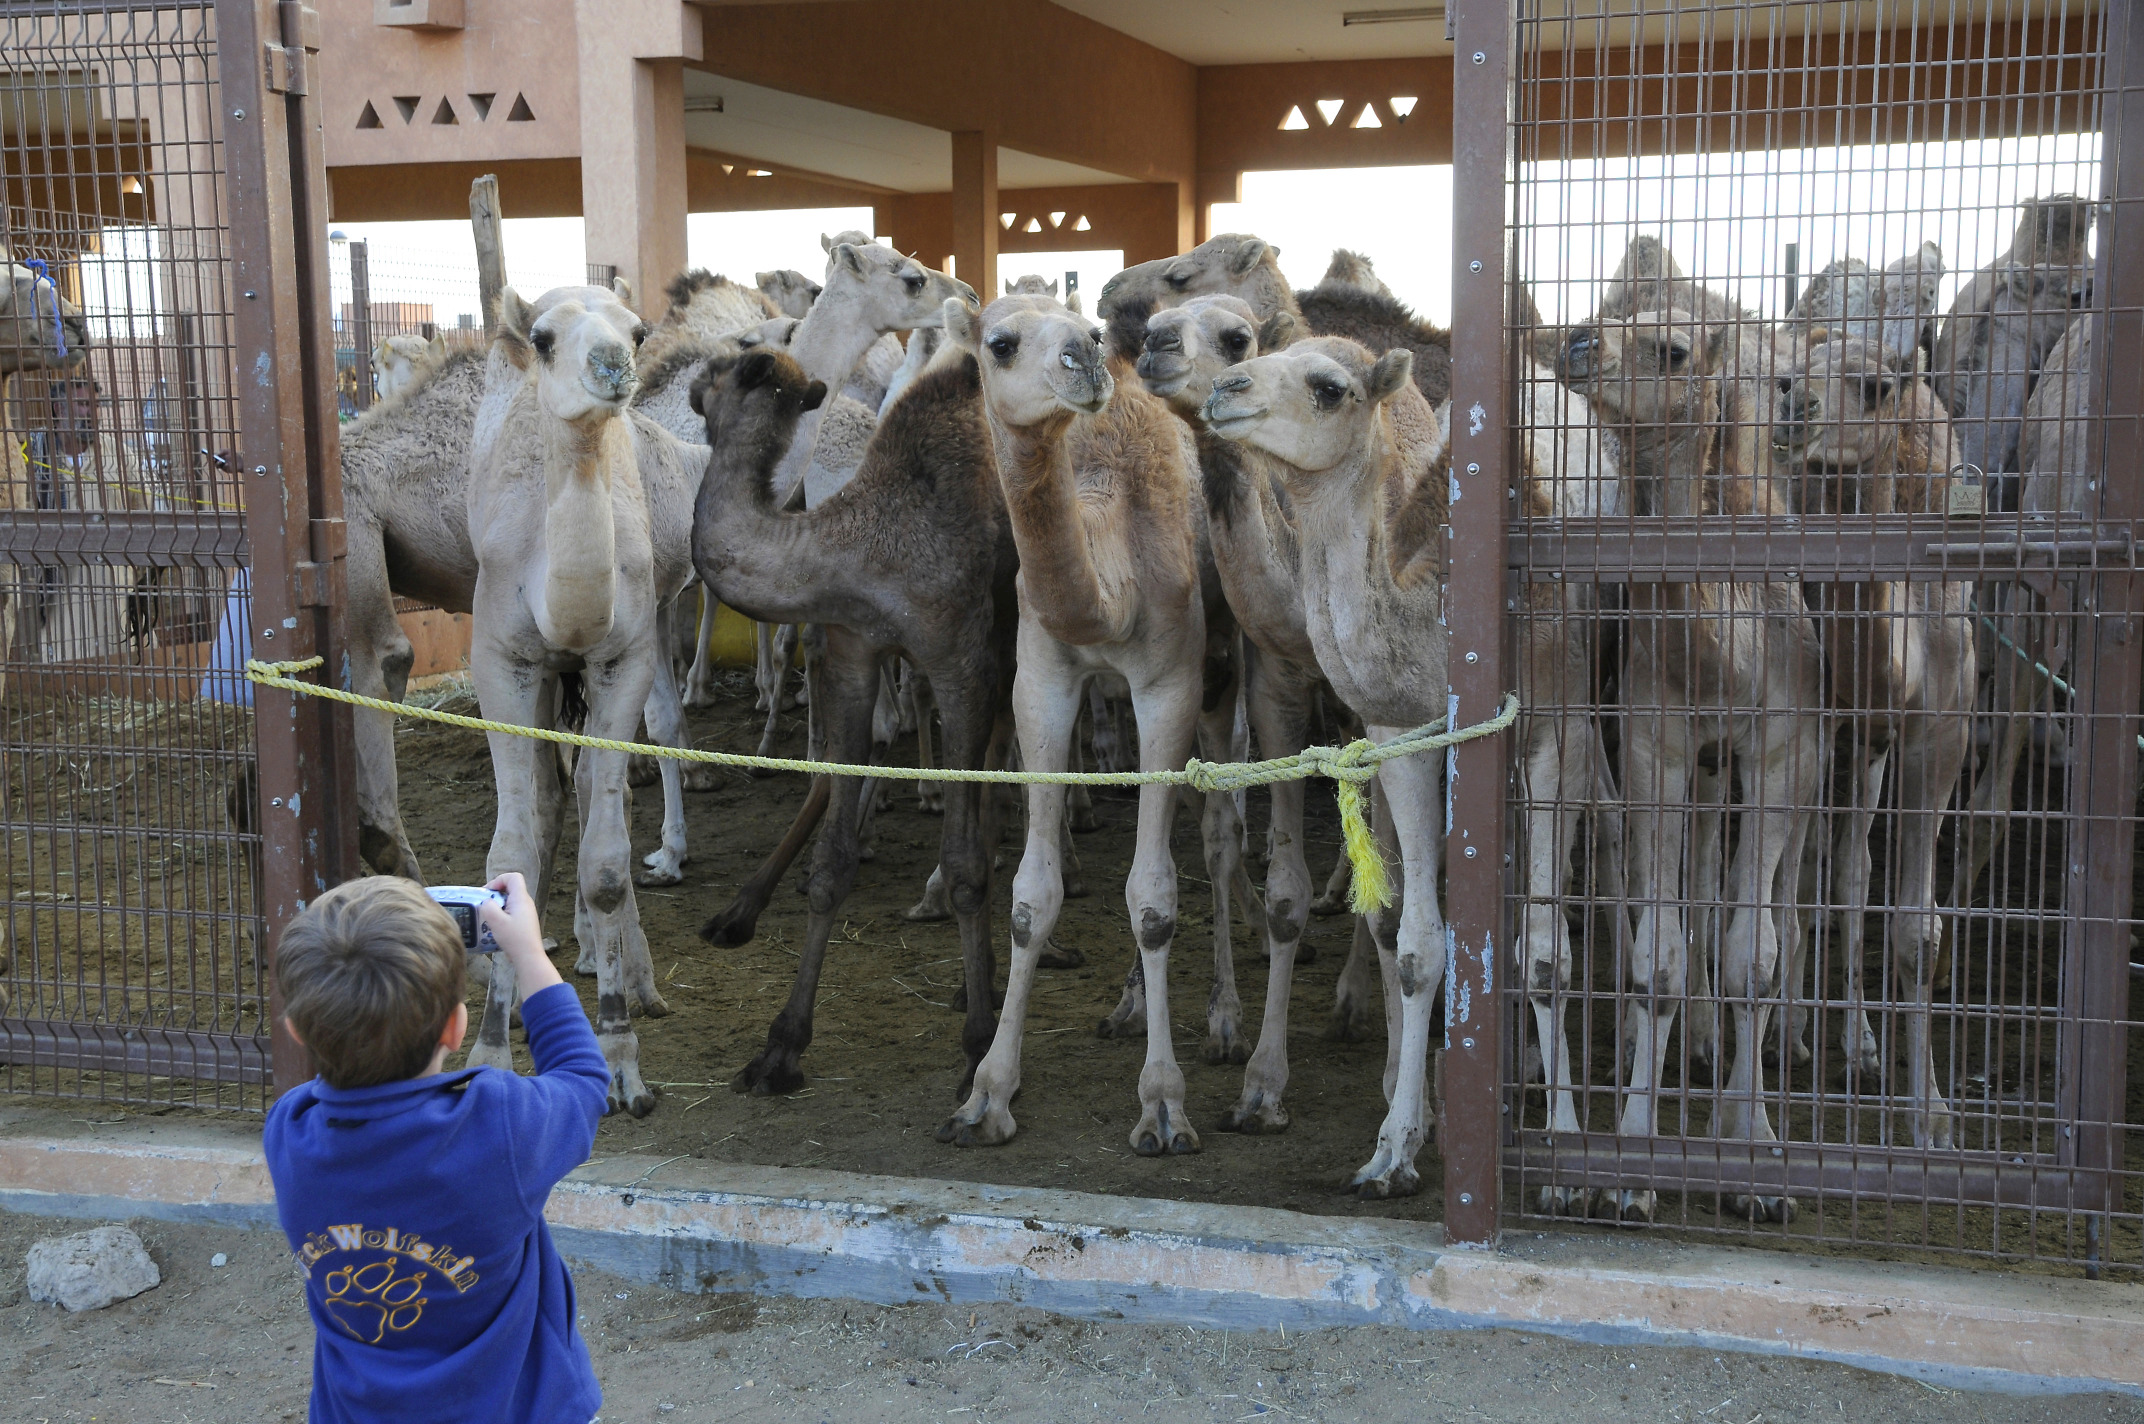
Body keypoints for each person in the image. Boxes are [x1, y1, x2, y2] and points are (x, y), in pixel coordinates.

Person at [263, 873, 608, 1424]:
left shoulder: (291, 1130)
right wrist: (528, 956)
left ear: (298, 1033)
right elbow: (584, 1080)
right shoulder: (496, 1125)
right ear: (456, 1028)